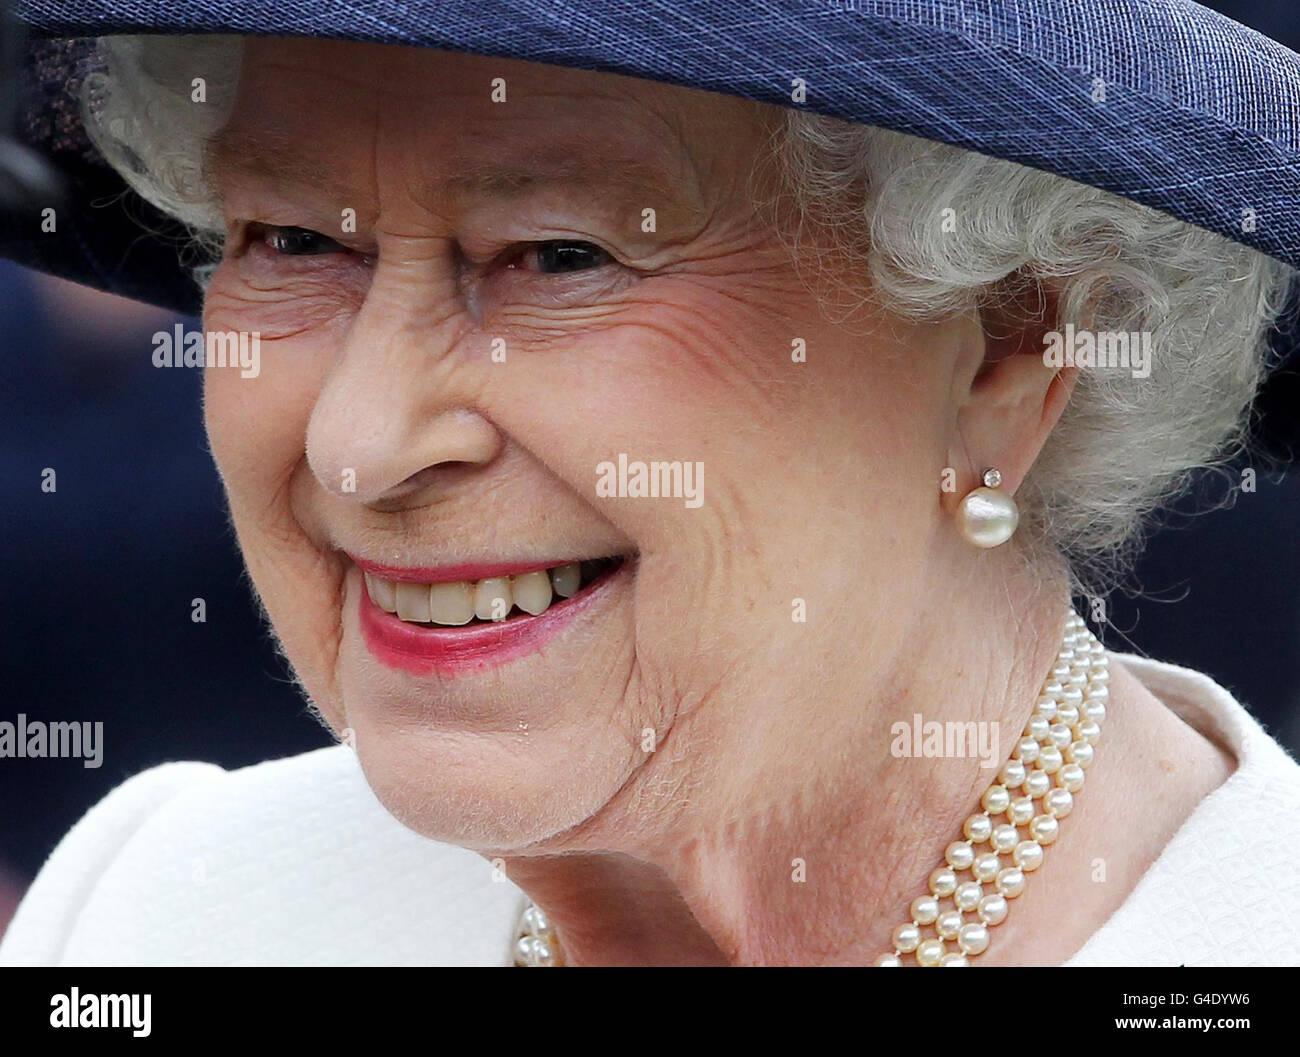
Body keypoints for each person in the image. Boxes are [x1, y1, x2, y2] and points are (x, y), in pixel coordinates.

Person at [2, 2, 1298, 966]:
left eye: (560, 253)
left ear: (1009, 346)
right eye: (290, 237)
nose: (361, 439)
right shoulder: (153, 918)